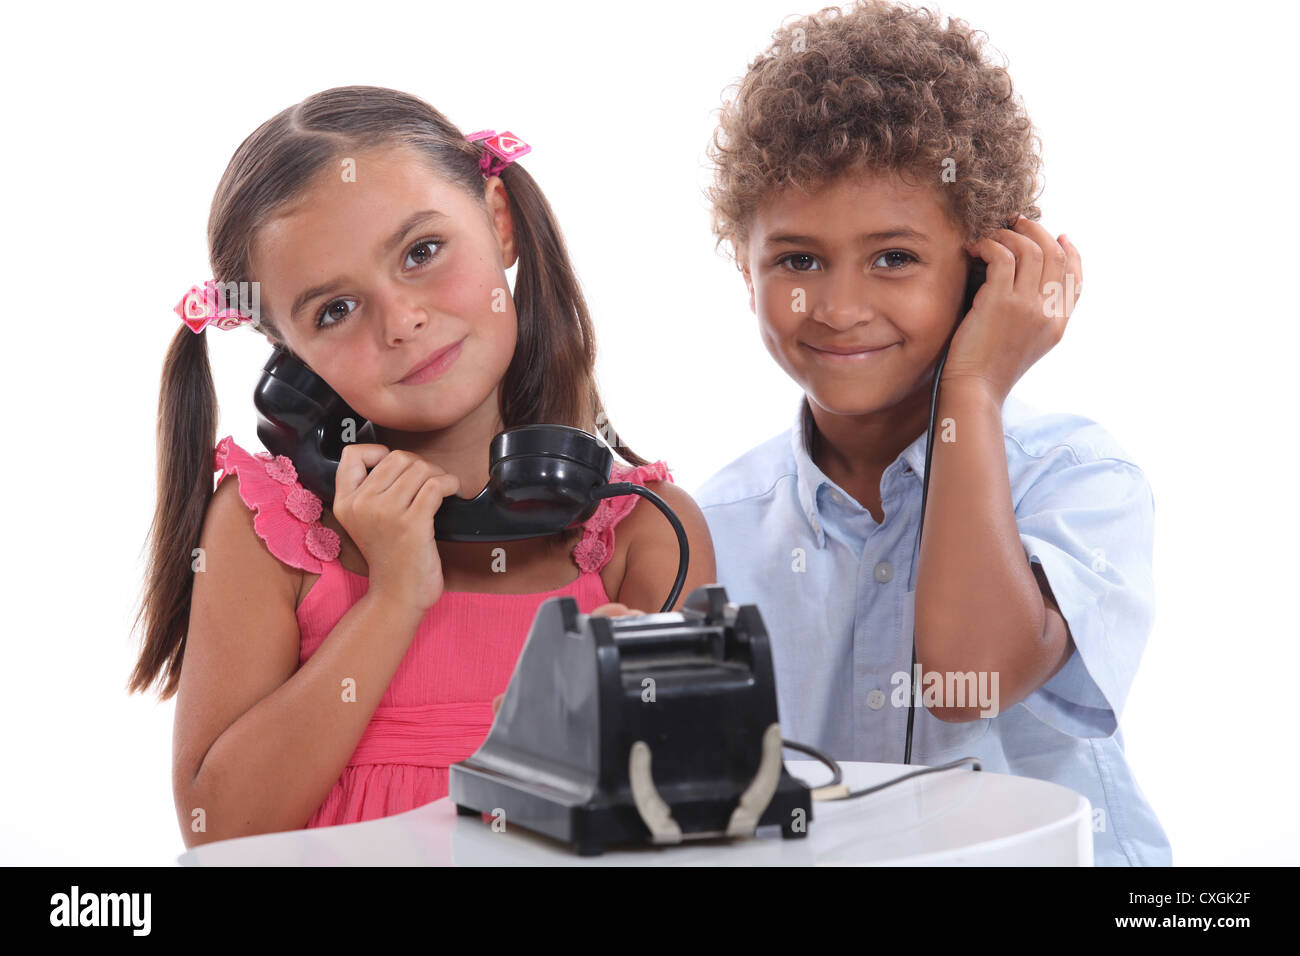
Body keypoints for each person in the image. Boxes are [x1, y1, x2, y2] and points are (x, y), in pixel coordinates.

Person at [128, 86, 716, 849]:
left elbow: (703, 818)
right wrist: (394, 597)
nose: (401, 321)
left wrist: (623, 703)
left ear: (498, 221)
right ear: (292, 365)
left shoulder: (645, 533)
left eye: (421, 253)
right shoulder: (269, 531)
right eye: (333, 311)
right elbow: (221, 830)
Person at [693, 1, 1170, 865]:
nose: (838, 309)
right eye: (797, 260)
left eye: (894, 258)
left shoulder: (1076, 477)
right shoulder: (712, 527)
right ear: (745, 261)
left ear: (985, 268)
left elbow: (972, 675)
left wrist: (976, 388)